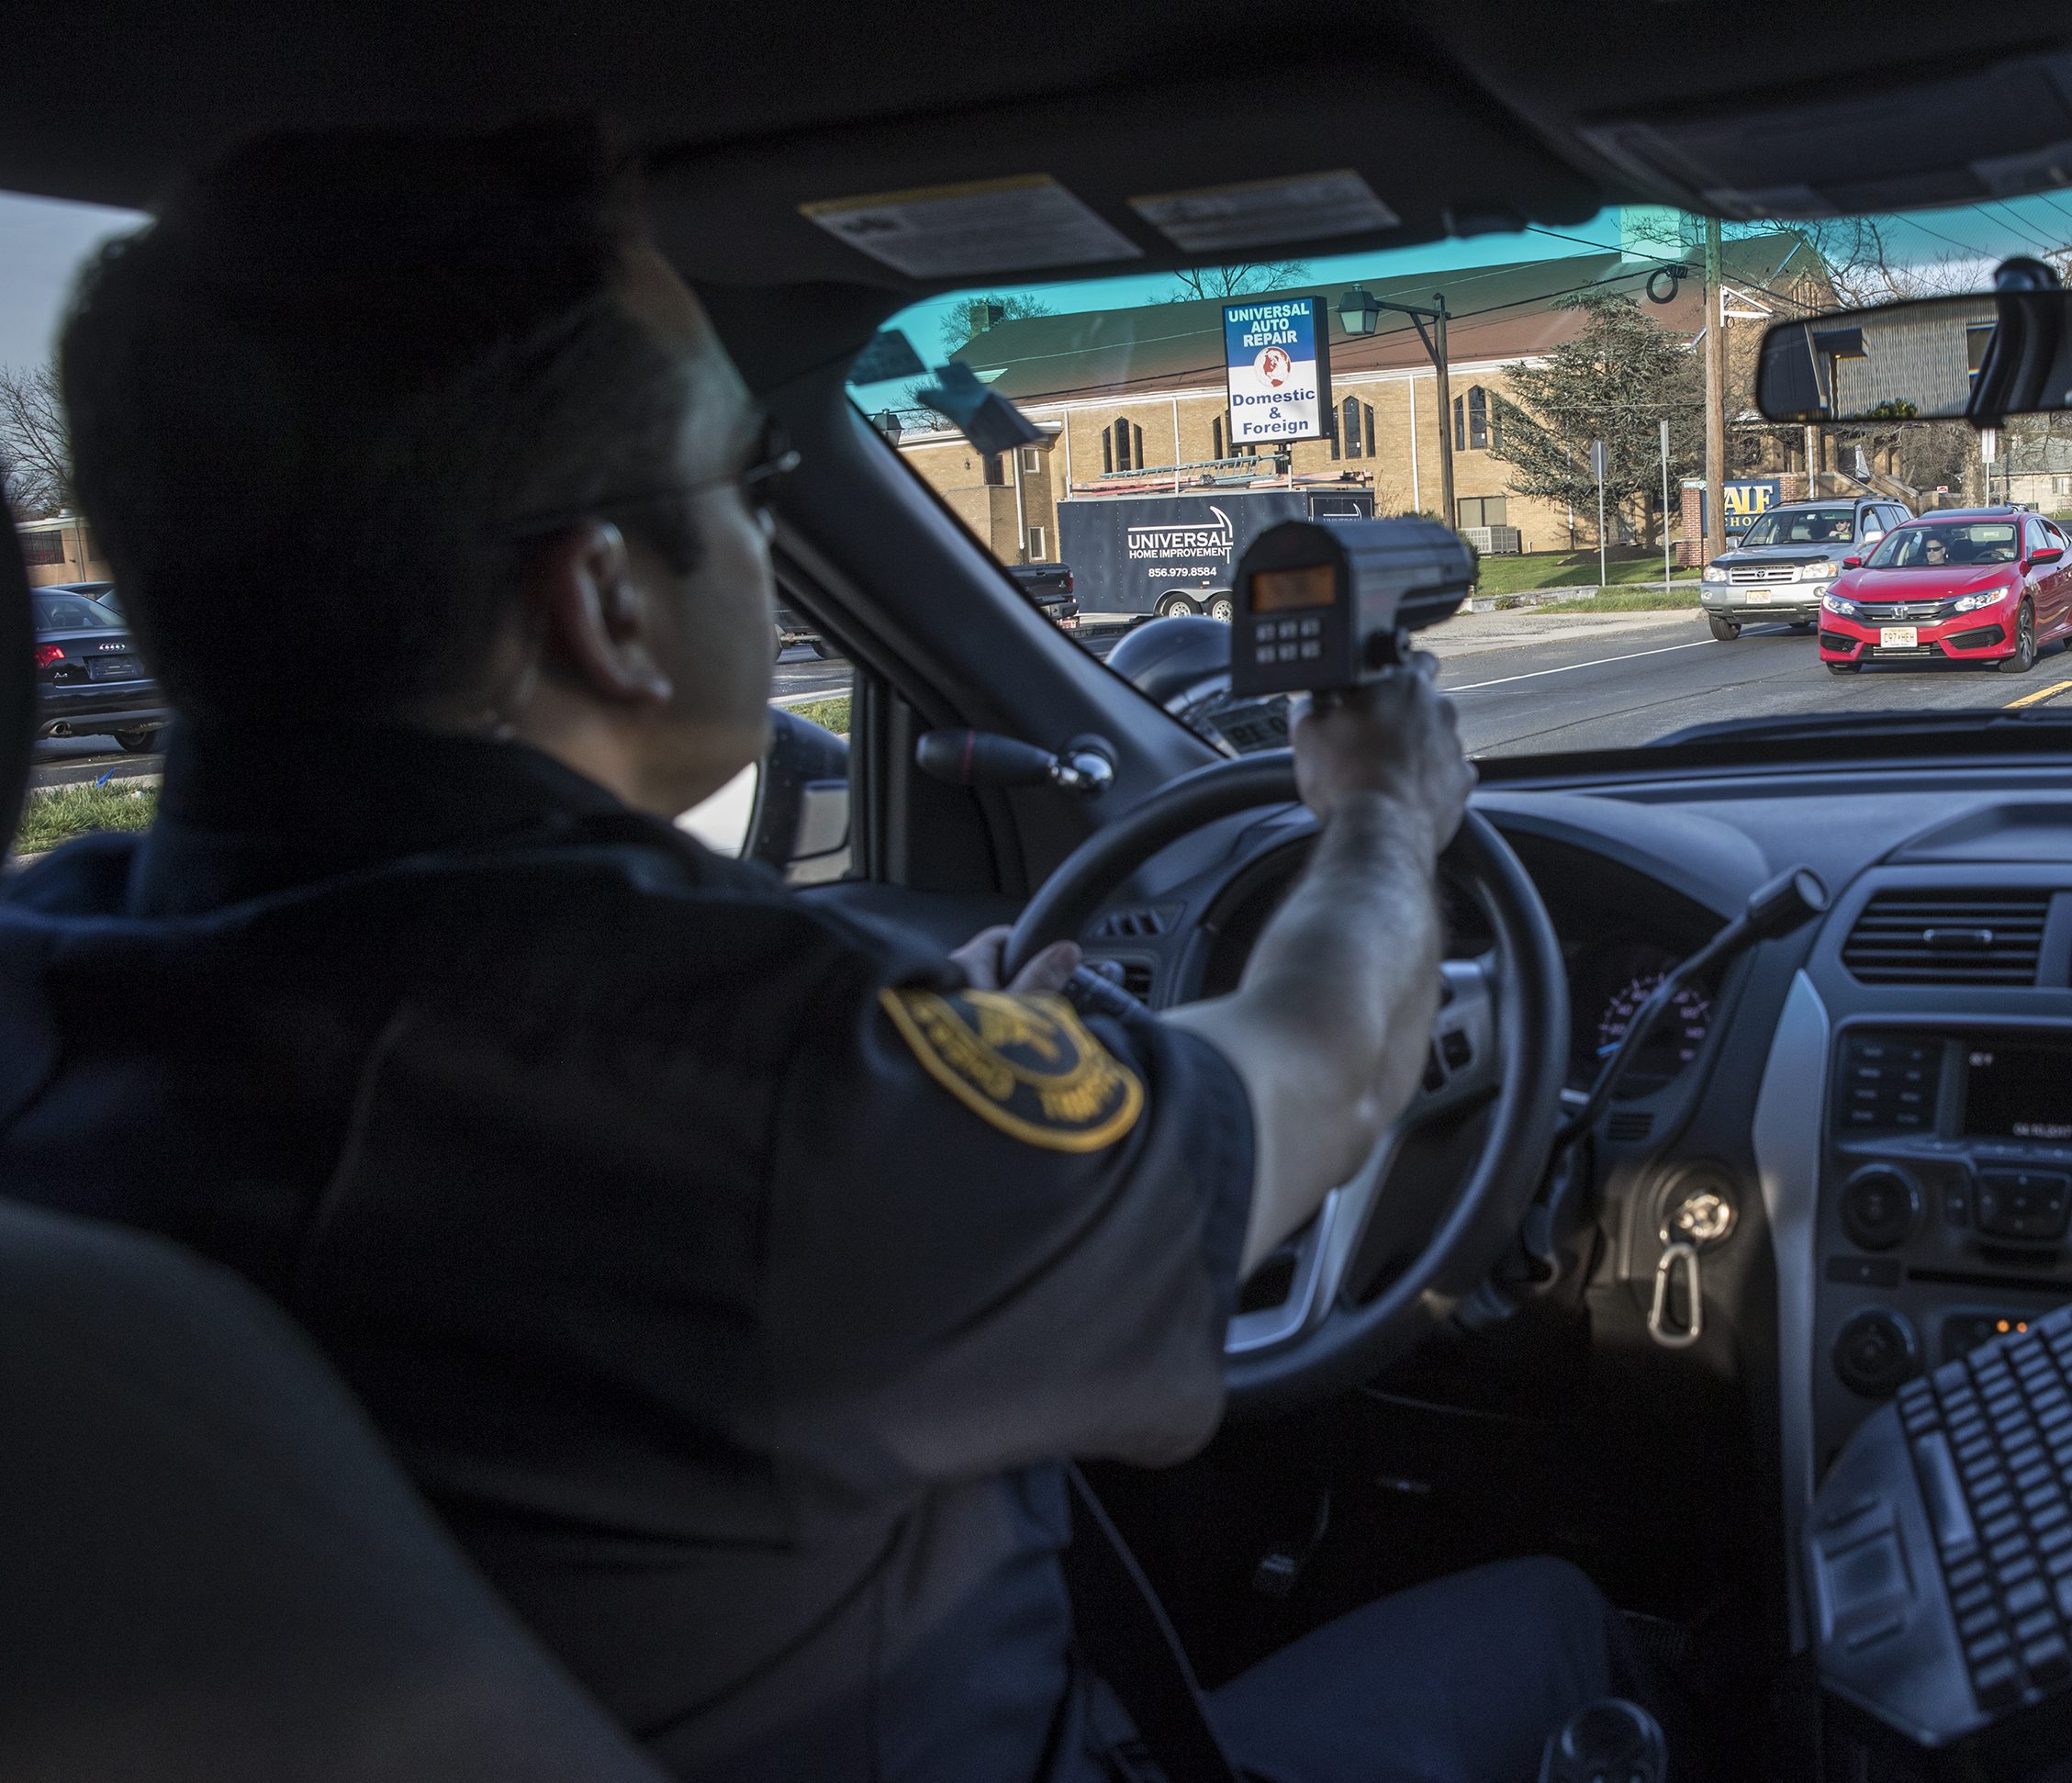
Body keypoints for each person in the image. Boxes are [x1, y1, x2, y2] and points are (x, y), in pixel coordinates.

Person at [0, 122, 1624, 1783]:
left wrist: (945, 1067)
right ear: (609, 604)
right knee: (1573, 1622)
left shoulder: (59, 972)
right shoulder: (761, 1086)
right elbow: (1329, 1074)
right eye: (751, 482)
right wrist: (1376, 819)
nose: (768, 534)